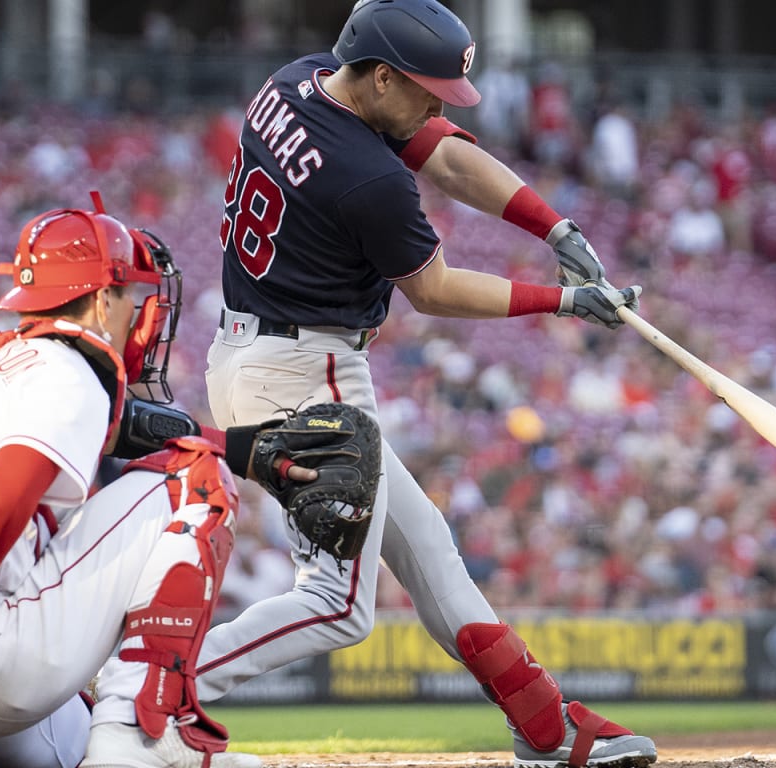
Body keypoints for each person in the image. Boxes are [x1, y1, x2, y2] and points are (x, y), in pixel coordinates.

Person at [199, 2, 656, 768]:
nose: (439, 105)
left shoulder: (298, 80)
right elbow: (435, 290)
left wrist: (554, 228)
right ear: (382, 77)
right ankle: (148, 687)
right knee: (337, 604)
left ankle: (543, 726)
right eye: (428, 89)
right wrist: (563, 300)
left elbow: (446, 157)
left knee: (429, 550)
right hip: (304, 372)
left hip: (266, 355)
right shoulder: (366, 176)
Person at [0, 201, 272, 767]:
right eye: (129, 295)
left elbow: (122, 431)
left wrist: (248, 448)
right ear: (101, 299)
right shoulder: (66, 371)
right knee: (198, 476)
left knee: (73, 735)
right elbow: (3, 502)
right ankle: (137, 741)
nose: (136, 311)